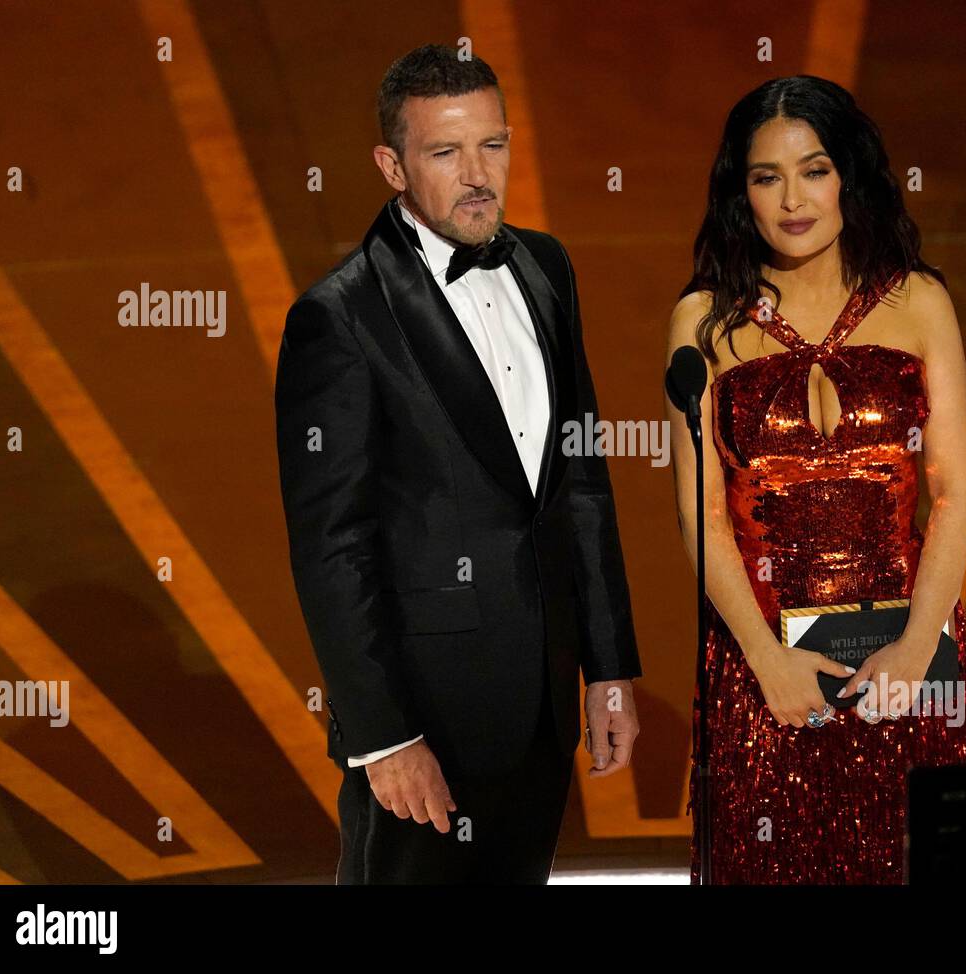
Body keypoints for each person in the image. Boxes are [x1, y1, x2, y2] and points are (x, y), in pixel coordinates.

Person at [275, 44, 641, 884]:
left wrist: (609, 666)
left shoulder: (545, 267)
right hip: (424, 725)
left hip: (543, 703)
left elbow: (579, 482)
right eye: (445, 152)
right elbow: (332, 548)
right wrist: (384, 736)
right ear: (391, 166)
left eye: (494, 145)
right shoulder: (338, 319)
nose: (479, 175)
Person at [666, 75, 966, 884]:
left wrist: (916, 650)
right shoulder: (705, 321)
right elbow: (698, 517)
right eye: (766, 177)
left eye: (814, 170)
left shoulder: (919, 303)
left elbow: (955, 496)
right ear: (742, 194)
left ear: (850, 176)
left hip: (908, 664)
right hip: (761, 665)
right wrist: (769, 663)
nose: (793, 199)